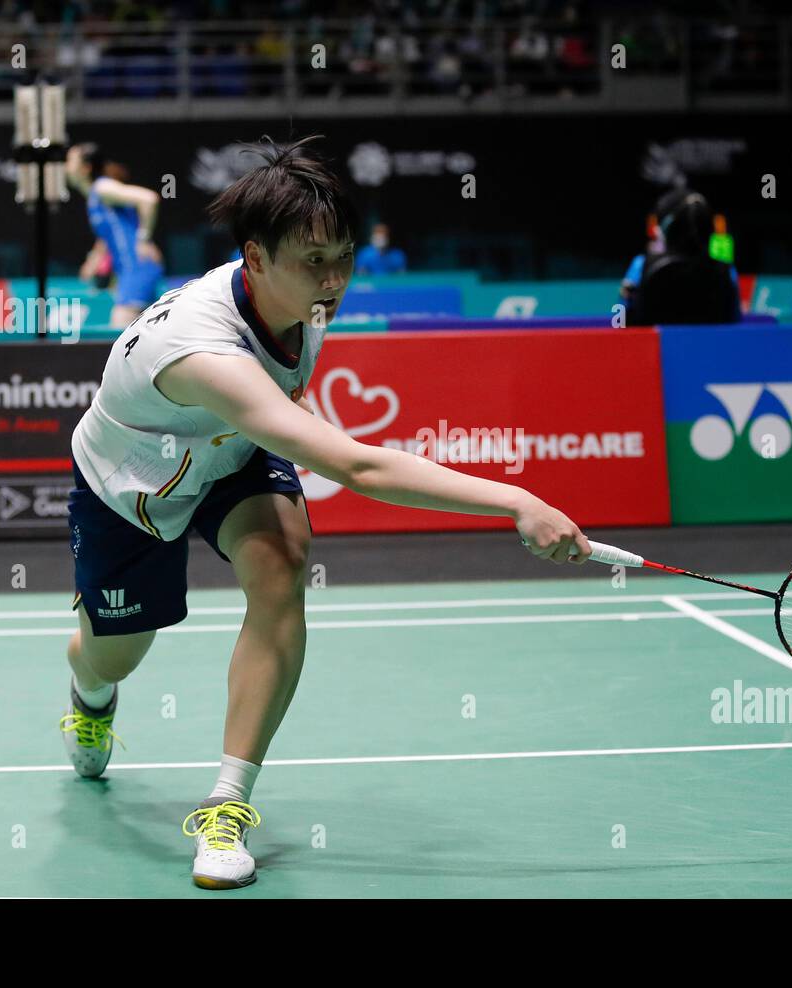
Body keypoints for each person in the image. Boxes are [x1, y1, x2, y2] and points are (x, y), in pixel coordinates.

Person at [59, 136, 591, 891]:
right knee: (115, 652)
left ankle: (226, 804)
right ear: (255, 257)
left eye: (343, 256)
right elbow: (355, 464)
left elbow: (289, 410)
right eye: (314, 262)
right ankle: (89, 693)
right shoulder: (202, 349)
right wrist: (515, 499)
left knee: (282, 566)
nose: (335, 280)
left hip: (232, 451)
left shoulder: (302, 301)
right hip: (130, 485)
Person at [66, 143, 164, 328]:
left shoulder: (103, 187)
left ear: (85, 168)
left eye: (70, 161)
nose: (65, 167)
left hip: (138, 267)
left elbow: (149, 199)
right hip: (128, 271)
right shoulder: (93, 196)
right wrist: (94, 260)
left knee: (118, 331)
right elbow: (111, 234)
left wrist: (144, 238)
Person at [625, 191, 740, 325]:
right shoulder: (727, 272)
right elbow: (734, 323)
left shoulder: (641, 266)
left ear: (665, 228)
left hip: (655, 345)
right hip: (712, 345)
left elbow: (621, 321)